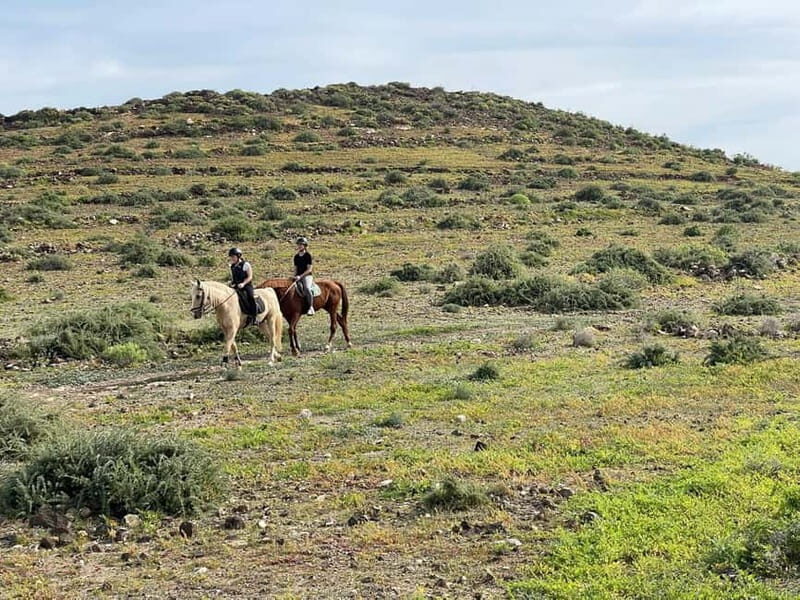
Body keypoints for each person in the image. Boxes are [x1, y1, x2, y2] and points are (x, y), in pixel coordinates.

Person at [228, 247, 257, 325]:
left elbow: (250, 276)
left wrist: (243, 284)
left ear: (238, 256)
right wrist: (231, 283)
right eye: (231, 257)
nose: (232, 258)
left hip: (246, 285)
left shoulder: (246, 265)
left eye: (233, 257)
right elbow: (234, 278)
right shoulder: (232, 266)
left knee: (250, 297)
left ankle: (254, 316)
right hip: (237, 286)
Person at [293, 237, 315, 316]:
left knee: (307, 288)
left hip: (307, 276)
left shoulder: (308, 255)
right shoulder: (296, 257)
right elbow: (295, 269)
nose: (299, 246)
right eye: (298, 244)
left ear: (305, 245)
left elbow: (309, 269)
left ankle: (311, 307)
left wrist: (300, 276)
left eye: (301, 245)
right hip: (298, 276)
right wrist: (294, 276)